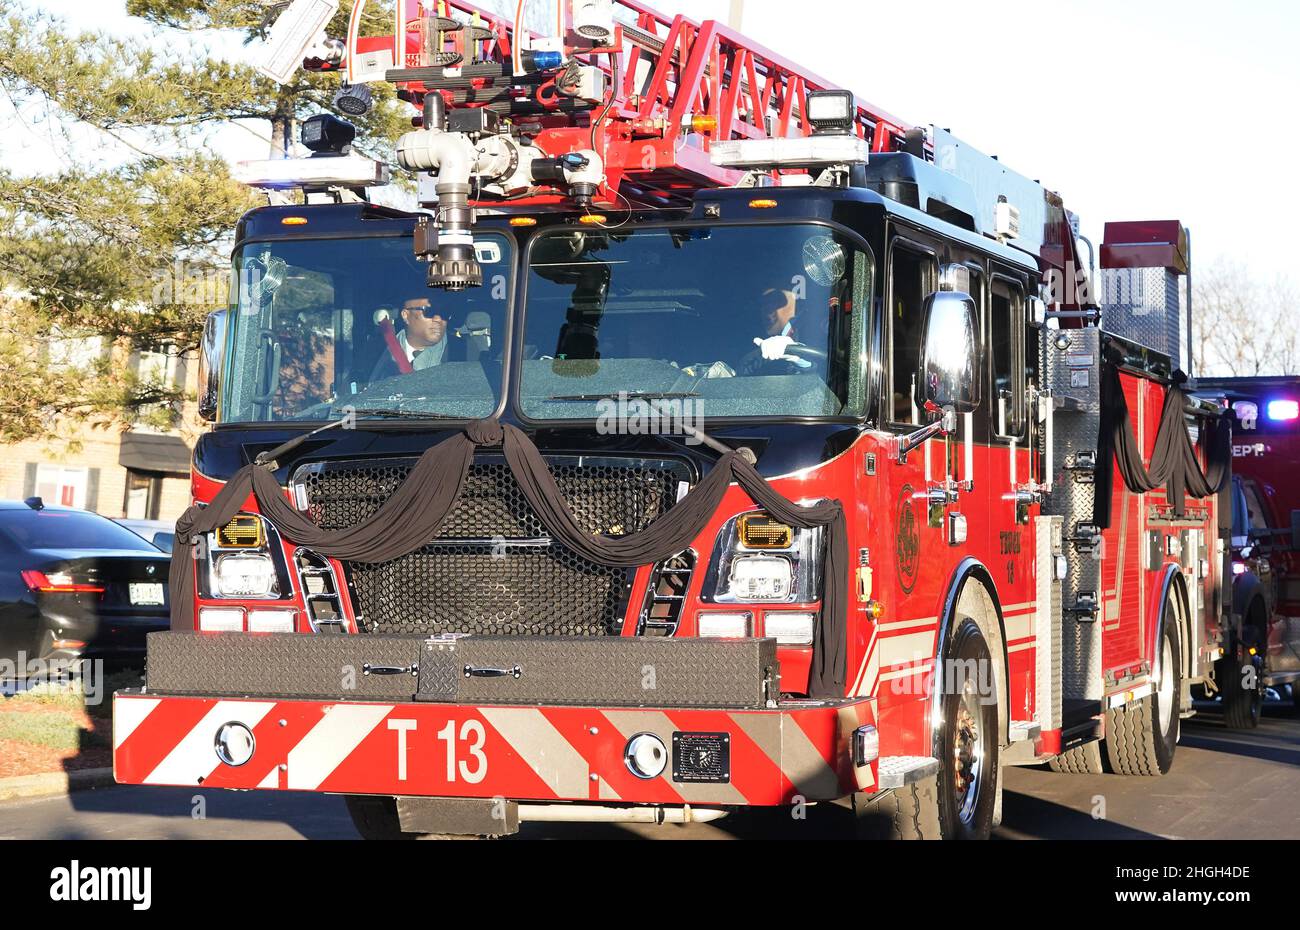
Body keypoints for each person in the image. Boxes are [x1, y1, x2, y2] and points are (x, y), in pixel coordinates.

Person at [370, 296, 451, 381]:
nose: (438, 319)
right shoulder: (378, 354)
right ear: (405, 315)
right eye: (428, 311)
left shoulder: (461, 355)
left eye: (443, 312)